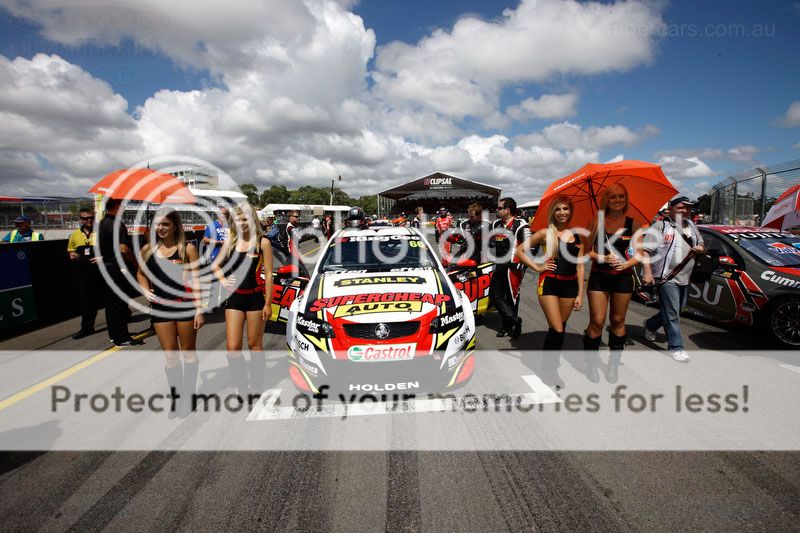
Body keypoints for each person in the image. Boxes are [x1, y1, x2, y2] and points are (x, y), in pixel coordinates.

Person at [136, 210, 204, 418]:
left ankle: (189, 397)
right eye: (158, 224)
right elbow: (140, 274)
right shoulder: (148, 250)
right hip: (160, 309)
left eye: (165, 224)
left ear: (175, 226)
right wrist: (146, 290)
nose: (161, 228)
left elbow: (197, 280)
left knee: (189, 353)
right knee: (171, 357)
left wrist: (200, 309)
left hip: (184, 306)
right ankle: (177, 398)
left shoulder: (188, 249)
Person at [515, 197, 584, 389]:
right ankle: (549, 370)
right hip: (549, 284)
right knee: (558, 329)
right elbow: (520, 250)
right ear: (553, 213)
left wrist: (580, 294)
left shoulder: (578, 235)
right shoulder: (546, 233)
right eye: (558, 209)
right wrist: (537, 266)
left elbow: (580, 267)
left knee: (558, 330)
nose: (562, 212)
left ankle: (549, 367)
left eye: (566, 209)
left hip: (570, 287)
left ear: (570, 211)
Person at [214, 203, 273, 405]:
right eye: (238, 220)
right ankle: (241, 384)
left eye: (246, 219)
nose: (242, 223)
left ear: (253, 221)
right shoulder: (230, 241)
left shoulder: (262, 243)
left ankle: (256, 384)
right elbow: (214, 265)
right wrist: (222, 279)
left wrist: (268, 304)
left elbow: (269, 276)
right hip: (235, 299)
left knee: (254, 345)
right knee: (232, 348)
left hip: (256, 298)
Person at [583, 184, 642, 383]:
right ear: (606, 200)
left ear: (626, 199)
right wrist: (601, 257)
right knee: (597, 321)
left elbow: (640, 254)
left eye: (621, 197)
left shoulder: (634, 224)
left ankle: (613, 366)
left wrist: (626, 263)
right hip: (599, 277)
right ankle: (590, 363)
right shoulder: (596, 222)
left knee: (618, 321)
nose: (617, 200)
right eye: (613, 197)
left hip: (623, 278)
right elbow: (586, 251)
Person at [641, 196, 704, 362]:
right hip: (667, 277)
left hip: (686, 276)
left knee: (676, 310)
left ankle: (650, 324)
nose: (685, 211)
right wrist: (647, 272)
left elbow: (702, 244)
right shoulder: (660, 226)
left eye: (688, 208)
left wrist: (700, 248)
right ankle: (676, 347)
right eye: (681, 208)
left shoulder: (691, 225)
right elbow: (645, 250)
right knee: (673, 313)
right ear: (671, 209)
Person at [97, 198, 143, 347]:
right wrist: (135, 263)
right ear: (116, 207)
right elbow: (123, 248)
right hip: (118, 267)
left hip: (106, 266)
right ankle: (121, 337)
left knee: (111, 303)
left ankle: (114, 334)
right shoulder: (117, 224)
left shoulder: (102, 224)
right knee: (119, 303)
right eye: (122, 206)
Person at [490, 197, 530, 338]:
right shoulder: (495, 224)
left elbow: (532, 246)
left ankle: (508, 327)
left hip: (513, 267)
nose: (497, 210)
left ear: (507, 210)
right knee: (495, 296)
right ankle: (514, 320)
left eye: (499, 208)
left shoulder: (521, 225)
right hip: (499, 265)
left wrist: (523, 264)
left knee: (512, 298)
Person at [67, 208, 102, 339]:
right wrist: (73, 254)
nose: (89, 220)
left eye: (91, 218)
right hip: (84, 272)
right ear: (80, 219)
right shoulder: (75, 235)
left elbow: (110, 249)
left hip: (102, 270)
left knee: (111, 298)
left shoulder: (101, 232)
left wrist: (101, 257)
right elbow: (71, 251)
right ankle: (87, 328)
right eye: (85, 218)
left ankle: (122, 320)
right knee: (87, 302)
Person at [202, 206, 229, 310]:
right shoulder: (212, 225)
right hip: (214, 256)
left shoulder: (229, 226)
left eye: (226, 213)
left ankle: (222, 301)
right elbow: (205, 240)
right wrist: (219, 242)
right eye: (222, 213)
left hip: (227, 257)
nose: (224, 215)